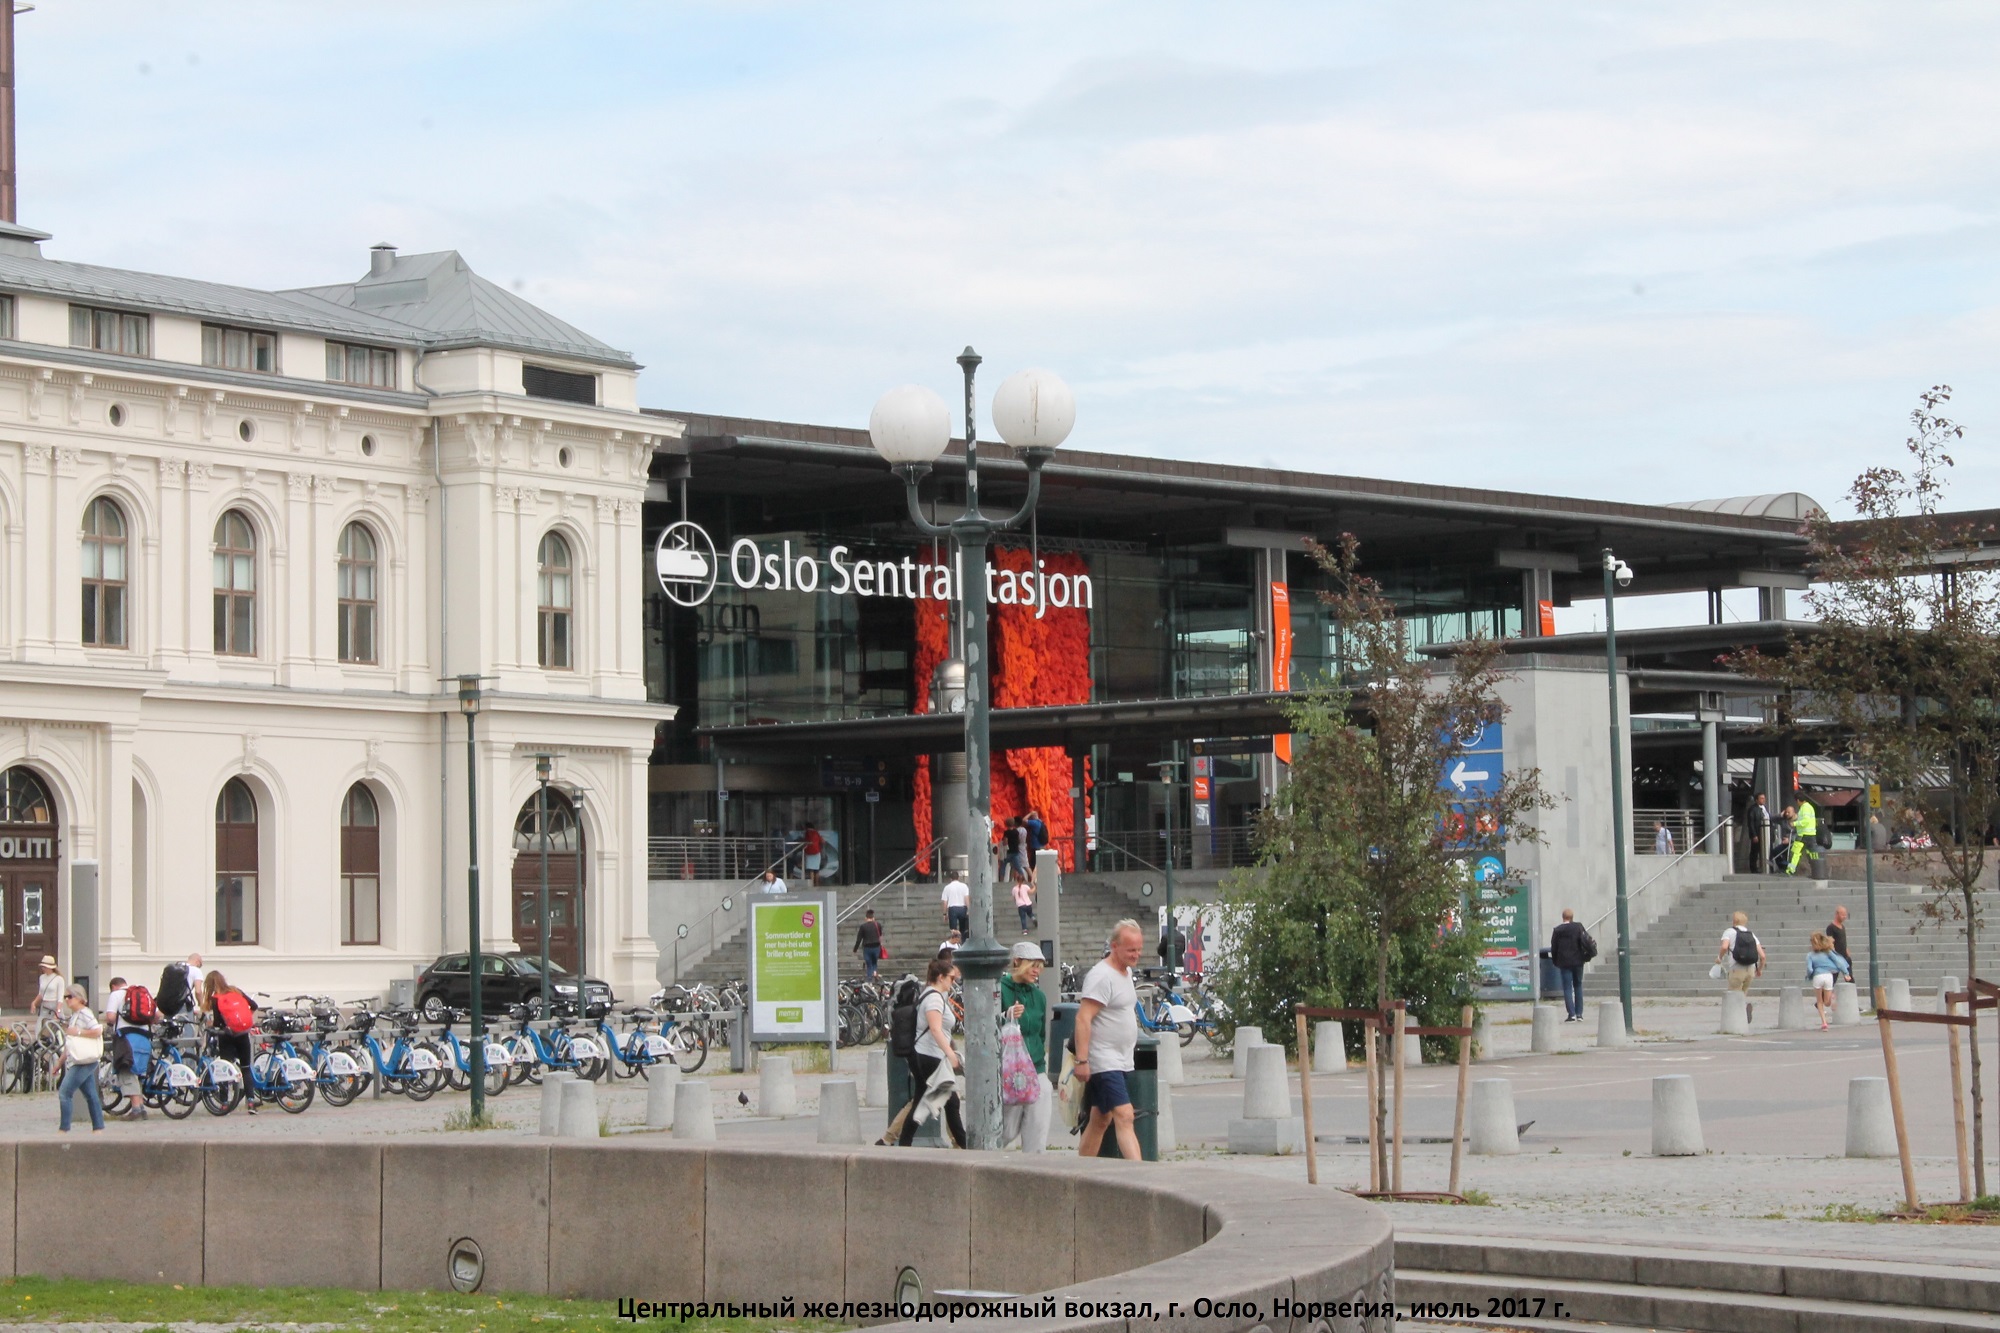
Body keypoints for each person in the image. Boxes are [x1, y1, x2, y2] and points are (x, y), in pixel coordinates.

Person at [1075, 919, 1144, 1160]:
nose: (1136, 955)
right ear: (1115, 946)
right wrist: (1082, 1061)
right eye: (1131, 950)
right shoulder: (1101, 976)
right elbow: (1083, 1018)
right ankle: (1141, 1177)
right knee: (1124, 1115)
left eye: (1138, 949)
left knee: (1100, 1118)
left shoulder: (1125, 972)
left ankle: (1081, 1173)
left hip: (1122, 1058)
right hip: (1104, 1059)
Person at [897, 956, 966, 1148]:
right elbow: (935, 1029)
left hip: (926, 1055)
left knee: (922, 1101)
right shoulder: (934, 998)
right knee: (951, 1101)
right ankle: (966, 1145)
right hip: (930, 1056)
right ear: (941, 977)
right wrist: (951, 1054)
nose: (953, 983)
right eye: (951, 978)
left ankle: (904, 1143)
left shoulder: (931, 995)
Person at [999, 941, 1052, 1153]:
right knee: (1005, 1131)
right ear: (1017, 962)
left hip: (1036, 1069)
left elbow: (1041, 1034)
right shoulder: (1000, 989)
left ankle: (1035, 1172)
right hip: (1010, 1071)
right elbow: (985, 1028)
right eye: (1032, 964)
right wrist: (1006, 1016)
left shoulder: (1039, 997)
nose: (1037, 970)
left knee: (1037, 1133)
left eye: (1039, 965)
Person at [201, 971, 259, 1113]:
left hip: (227, 1036)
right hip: (243, 1034)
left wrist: (210, 1025)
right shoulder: (236, 991)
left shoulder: (216, 998)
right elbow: (254, 1005)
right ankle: (251, 1102)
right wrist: (244, 1020)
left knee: (225, 1068)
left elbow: (218, 1022)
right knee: (246, 1068)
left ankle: (225, 1103)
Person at [55, 985, 106, 1133]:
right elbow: (70, 1043)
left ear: (79, 998)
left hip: (84, 1060)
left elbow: (97, 1030)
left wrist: (78, 1031)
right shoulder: (75, 1015)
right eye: (65, 997)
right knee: (90, 1094)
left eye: (69, 997)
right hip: (79, 1059)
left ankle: (64, 1128)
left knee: (65, 1092)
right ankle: (98, 1127)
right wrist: (60, 1062)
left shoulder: (85, 1014)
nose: (66, 1000)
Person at [102, 976, 148, 1120]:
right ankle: (141, 1107)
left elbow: (110, 1017)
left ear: (114, 987)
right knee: (137, 1072)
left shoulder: (116, 995)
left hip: (126, 1037)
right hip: (144, 1036)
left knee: (126, 1069)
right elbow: (157, 1015)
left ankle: (136, 1110)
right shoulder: (142, 993)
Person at [1717, 911, 1765, 1023]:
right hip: (1750, 969)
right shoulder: (1751, 934)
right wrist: (1759, 969)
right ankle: (1743, 1014)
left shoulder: (1729, 932)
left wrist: (1719, 958)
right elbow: (1762, 956)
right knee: (1742, 993)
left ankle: (1735, 1022)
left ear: (1733, 921)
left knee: (1733, 995)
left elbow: (1724, 947)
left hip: (1736, 968)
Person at [1549, 909, 1595, 1022]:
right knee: (1578, 985)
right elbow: (1586, 941)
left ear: (1563, 917)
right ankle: (1579, 1014)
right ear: (1572, 917)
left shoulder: (1557, 930)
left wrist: (1555, 961)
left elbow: (1553, 947)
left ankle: (1571, 1014)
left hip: (1564, 963)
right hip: (1578, 961)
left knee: (1567, 988)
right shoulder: (1578, 927)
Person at [1805, 931, 1851, 1030]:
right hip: (1828, 976)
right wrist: (1846, 973)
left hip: (1818, 977)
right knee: (1827, 1002)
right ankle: (1831, 998)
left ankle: (1824, 1022)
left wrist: (1809, 976)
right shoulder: (1828, 952)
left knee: (1819, 1001)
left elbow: (1809, 969)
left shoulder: (1810, 955)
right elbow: (1838, 962)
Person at [1787, 791, 1821, 877]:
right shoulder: (1809, 807)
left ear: (1798, 800)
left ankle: (1791, 870)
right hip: (1811, 834)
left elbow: (1805, 821)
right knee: (1812, 854)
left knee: (1795, 852)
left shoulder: (1804, 808)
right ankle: (1817, 871)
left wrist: (1794, 824)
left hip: (1803, 834)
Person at [154, 954, 199, 1018]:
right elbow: (198, 991)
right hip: (182, 1004)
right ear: (197, 962)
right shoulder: (196, 970)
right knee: (186, 1026)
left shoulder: (175, 969)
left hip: (168, 1004)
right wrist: (201, 1006)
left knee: (170, 1025)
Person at [853, 908, 885, 981]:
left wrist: (855, 949)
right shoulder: (878, 925)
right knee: (874, 962)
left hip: (867, 948)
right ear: (873, 918)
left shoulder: (863, 927)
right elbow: (880, 935)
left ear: (866, 918)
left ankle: (869, 980)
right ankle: (875, 972)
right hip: (876, 947)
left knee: (869, 964)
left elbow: (859, 939)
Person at [33, 956, 65, 1024]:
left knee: (54, 1028)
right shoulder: (42, 977)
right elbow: (41, 994)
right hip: (44, 1005)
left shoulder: (59, 979)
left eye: (45, 967)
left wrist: (58, 1011)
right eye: (42, 967)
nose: (43, 969)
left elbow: (60, 998)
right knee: (40, 1026)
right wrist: (34, 1003)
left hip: (54, 1005)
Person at [1024, 808, 1049, 888]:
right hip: (1041, 845)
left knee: (1033, 864)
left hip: (1035, 846)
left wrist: (1030, 814)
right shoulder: (1041, 822)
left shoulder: (1034, 823)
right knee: (1039, 863)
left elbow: (1024, 820)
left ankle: (1034, 879)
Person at [941, 873, 970, 939]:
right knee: (963, 928)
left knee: (953, 929)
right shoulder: (964, 886)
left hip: (952, 909)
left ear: (950, 879)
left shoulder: (947, 887)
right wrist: (969, 909)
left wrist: (944, 914)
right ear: (958, 878)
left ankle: (955, 942)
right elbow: (966, 898)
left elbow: (945, 902)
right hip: (962, 908)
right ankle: (962, 942)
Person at [1748, 793, 1772, 873]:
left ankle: (1768, 867)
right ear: (1756, 800)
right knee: (1755, 851)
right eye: (1761, 798)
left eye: (1764, 798)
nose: (1763, 800)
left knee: (1768, 850)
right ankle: (1753, 868)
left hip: (1767, 832)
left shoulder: (1765, 808)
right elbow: (1751, 823)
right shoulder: (1753, 809)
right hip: (1758, 833)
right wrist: (1754, 835)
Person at [1826, 905, 1852, 974]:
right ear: (1837, 914)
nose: (1844, 917)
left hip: (1845, 956)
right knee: (1834, 976)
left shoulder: (1842, 927)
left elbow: (1843, 940)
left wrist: (1846, 950)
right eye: (1842, 915)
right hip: (1836, 956)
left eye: (1845, 915)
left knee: (1849, 976)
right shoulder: (1831, 927)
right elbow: (1830, 941)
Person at [802, 822, 823, 886]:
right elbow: (822, 841)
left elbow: (805, 841)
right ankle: (817, 883)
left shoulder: (807, 833)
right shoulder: (816, 833)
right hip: (817, 852)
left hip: (809, 853)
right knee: (816, 870)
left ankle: (812, 884)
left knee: (811, 869)